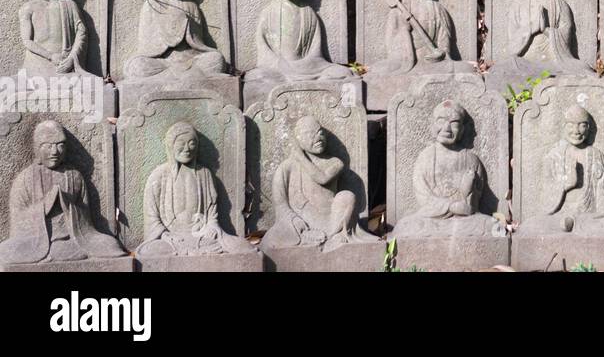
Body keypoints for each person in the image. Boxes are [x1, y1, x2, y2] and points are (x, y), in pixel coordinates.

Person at [0, 121, 126, 266]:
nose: (55, 152)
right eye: (48, 146)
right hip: (33, 240)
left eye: (60, 145)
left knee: (110, 244)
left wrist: (68, 205)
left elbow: (86, 216)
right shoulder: (25, 179)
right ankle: (51, 251)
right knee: (4, 250)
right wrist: (45, 206)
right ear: (37, 148)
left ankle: (57, 251)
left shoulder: (74, 176)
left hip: (71, 238)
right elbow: (18, 219)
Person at [139, 122, 253, 256]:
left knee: (242, 246)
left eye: (192, 143)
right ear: (170, 145)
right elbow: (152, 219)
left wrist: (212, 226)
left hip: (201, 235)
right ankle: (193, 251)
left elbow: (212, 214)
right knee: (150, 250)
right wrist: (165, 235)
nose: (187, 148)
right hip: (170, 239)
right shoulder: (158, 176)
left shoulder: (204, 174)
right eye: (181, 143)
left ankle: (193, 250)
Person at [263, 116, 372, 252]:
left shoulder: (335, 162)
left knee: (347, 196)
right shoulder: (286, 168)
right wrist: (295, 221)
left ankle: (338, 235)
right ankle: (305, 236)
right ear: (299, 140)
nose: (319, 137)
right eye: (310, 133)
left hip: (332, 219)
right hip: (302, 219)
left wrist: (301, 157)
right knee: (275, 238)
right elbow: (280, 204)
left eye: (321, 132)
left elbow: (322, 178)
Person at [395, 100, 503, 237]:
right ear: (432, 126)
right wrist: (451, 206)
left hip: (465, 221)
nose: (447, 128)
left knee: (491, 226)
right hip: (431, 218)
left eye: (454, 123)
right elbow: (423, 197)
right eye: (441, 121)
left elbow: (472, 203)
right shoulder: (426, 157)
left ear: (462, 130)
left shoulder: (470, 159)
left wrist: (468, 190)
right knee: (406, 226)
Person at [521, 105, 604, 236]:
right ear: (563, 127)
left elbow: (603, 202)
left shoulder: (595, 155)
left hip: (588, 219)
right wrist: (565, 185)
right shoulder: (554, 157)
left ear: (589, 128)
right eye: (571, 125)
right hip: (558, 217)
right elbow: (546, 200)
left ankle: (574, 225)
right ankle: (570, 224)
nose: (576, 131)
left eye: (582, 125)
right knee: (530, 226)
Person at [125, 0, 228, 81]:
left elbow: (198, 42)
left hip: (189, 58)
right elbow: (146, 44)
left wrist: (186, 25)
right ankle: (187, 75)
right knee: (136, 66)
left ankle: (172, 76)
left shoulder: (190, 4)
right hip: (161, 60)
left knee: (216, 59)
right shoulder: (151, 5)